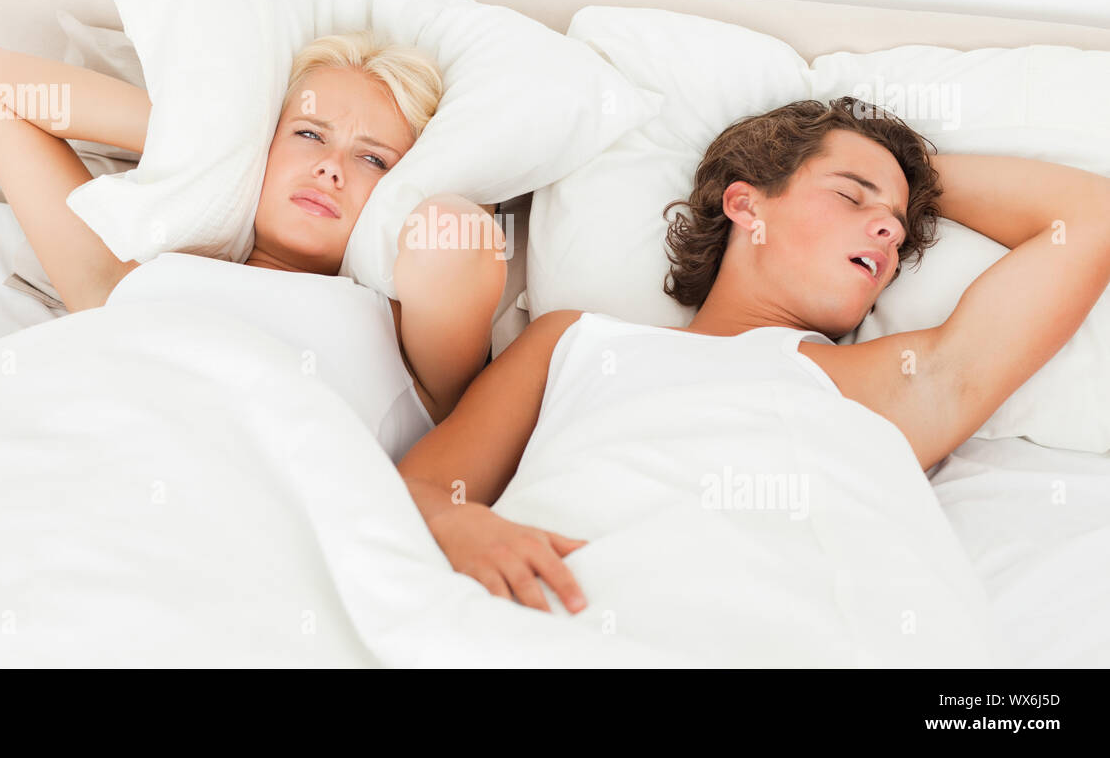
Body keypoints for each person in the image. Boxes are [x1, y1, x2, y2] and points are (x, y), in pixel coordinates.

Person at [397, 96, 1110, 613]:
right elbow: (424, 491)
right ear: (747, 205)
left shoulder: (889, 385)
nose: (888, 231)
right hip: (550, 605)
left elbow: (1089, 219)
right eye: (852, 196)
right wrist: (463, 525)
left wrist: (911, 174)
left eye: (898, 226)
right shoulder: (575, 342)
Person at [0, 31, 507, 460]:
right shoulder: (126, 277)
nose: (329, 168)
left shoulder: (408, 341)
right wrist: (218, 148)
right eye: (309, 134)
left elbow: (453, 235)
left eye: (373, 159)